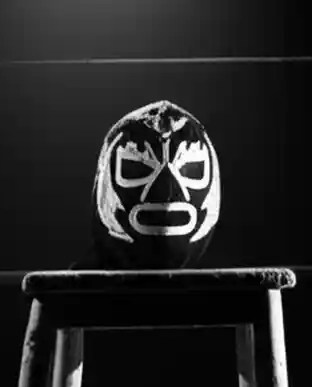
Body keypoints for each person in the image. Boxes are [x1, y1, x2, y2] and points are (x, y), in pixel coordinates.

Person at [70, 100, 222, 270]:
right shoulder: (57, 294)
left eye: (189, 169)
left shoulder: (235, 292)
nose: (167, 191)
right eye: (138, 168)